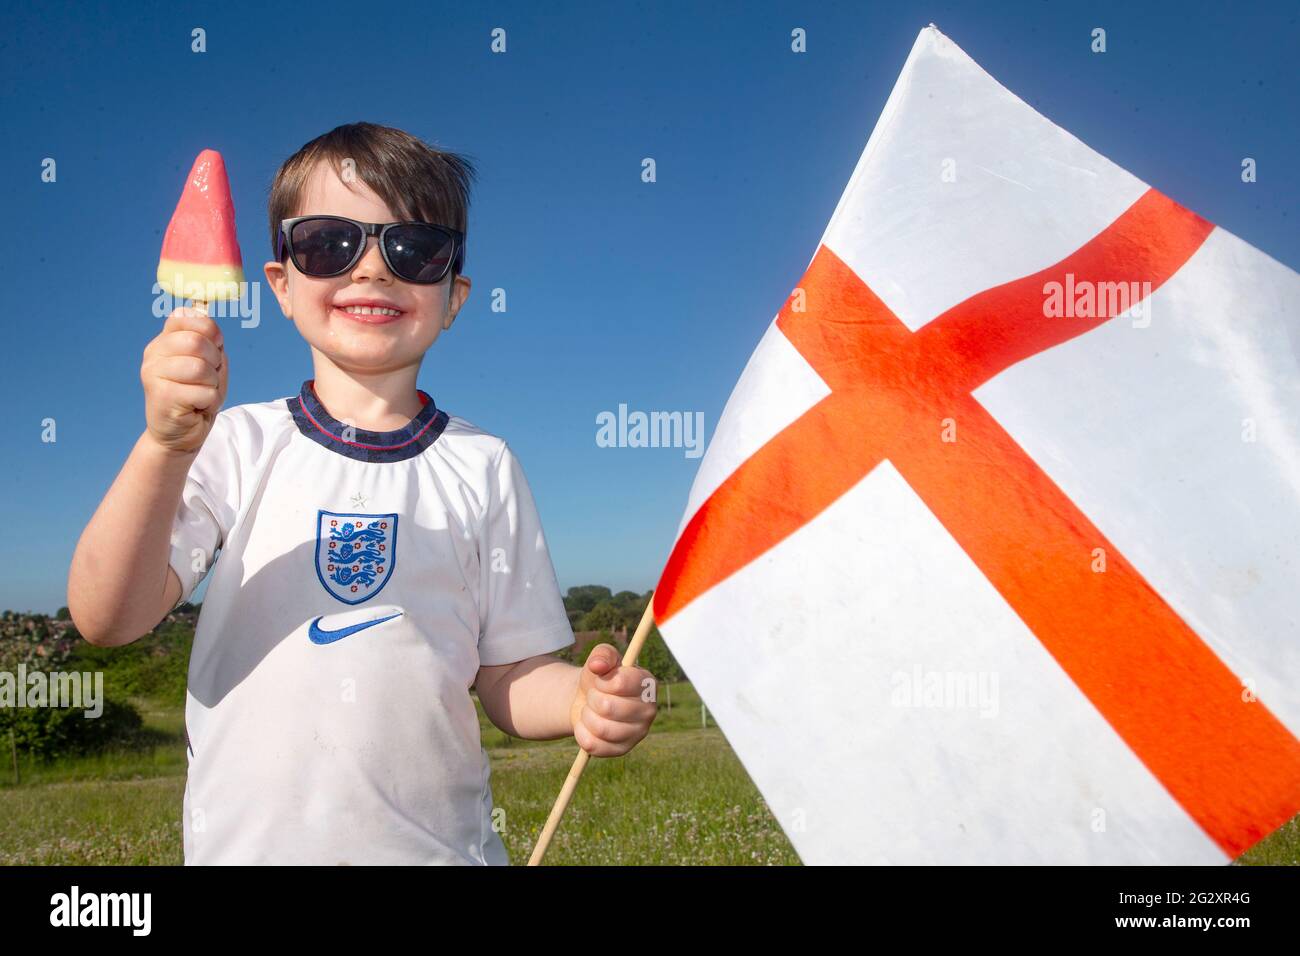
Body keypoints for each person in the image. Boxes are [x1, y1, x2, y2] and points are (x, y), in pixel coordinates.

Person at [67, 122, 657, 864]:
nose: (372, 269)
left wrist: (580, 700)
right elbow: (107, 617)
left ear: (454, 295)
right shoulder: (234, 443)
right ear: (280, 284)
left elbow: (510, 675)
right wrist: (164, 448)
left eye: (414, 249)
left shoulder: (484, 465)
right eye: (327, 243)